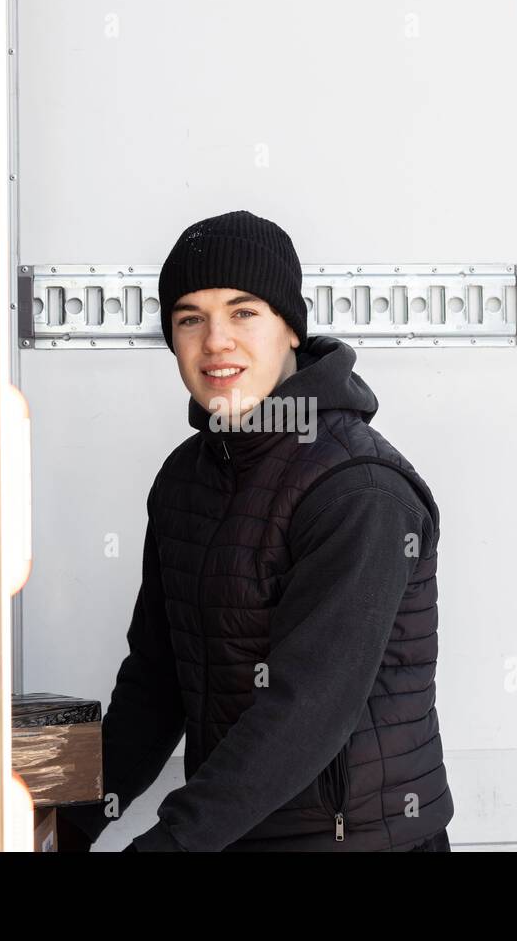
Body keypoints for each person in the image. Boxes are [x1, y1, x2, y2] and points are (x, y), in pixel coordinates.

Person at [56, 209, 453, 852]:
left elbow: (307, 711)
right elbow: (157, 680)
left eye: (244, 313)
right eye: (190, 318)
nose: (216, 341)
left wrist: (170, 844)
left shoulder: (359, 488)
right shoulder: (187, 478)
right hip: (236, 835)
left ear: (289, 329)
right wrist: (67, 824)